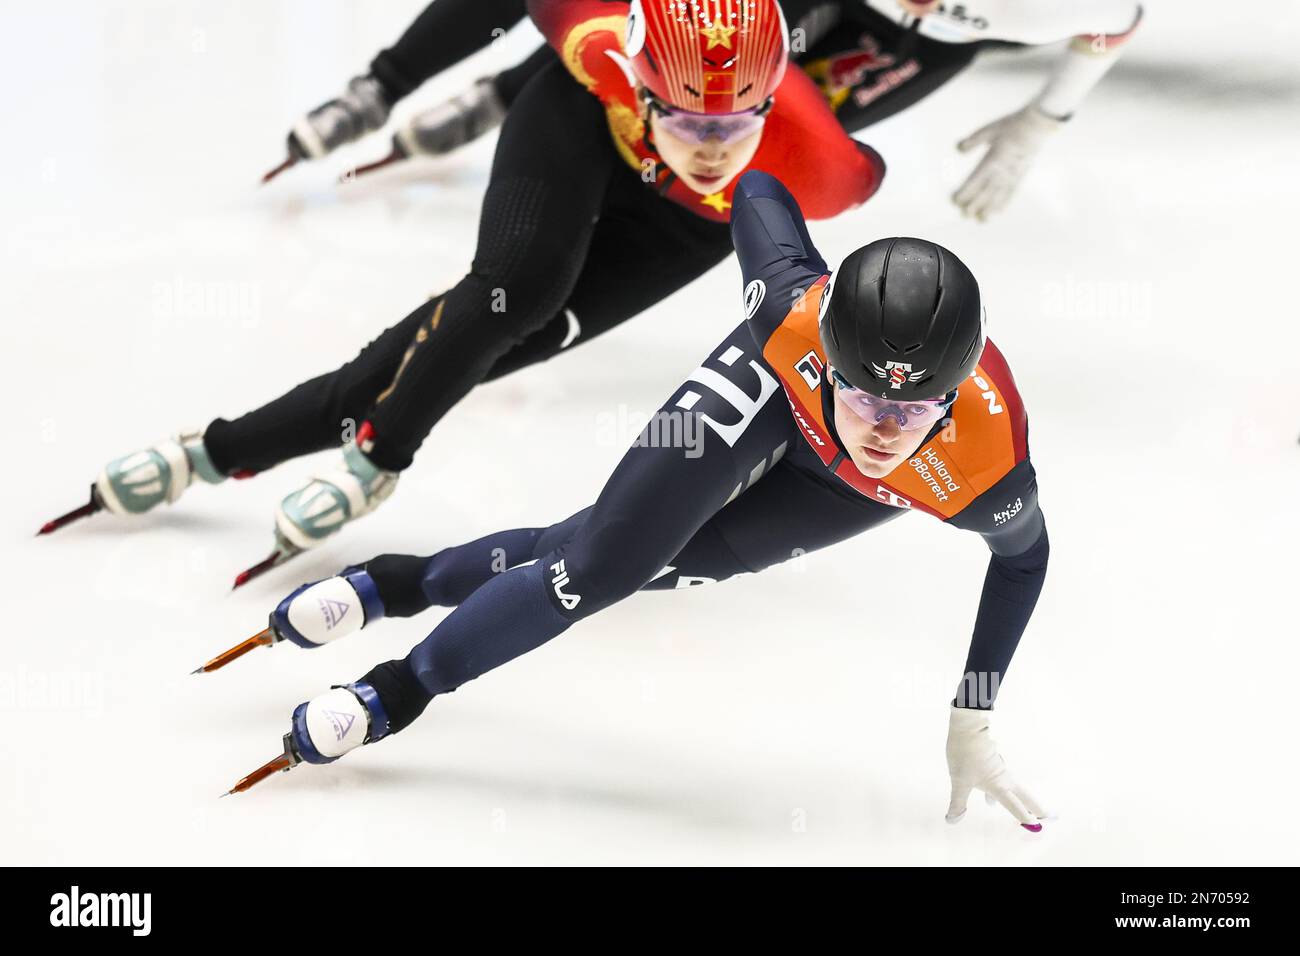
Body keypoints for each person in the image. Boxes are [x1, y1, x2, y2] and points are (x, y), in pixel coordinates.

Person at [229, 170, 1051, 830]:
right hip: (767, 392)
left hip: (838, 490)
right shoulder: (789, 313)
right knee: (596, 568)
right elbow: (762, 187)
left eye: (911, 411)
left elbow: (1024, 566)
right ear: (830, 359)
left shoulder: (985, 468)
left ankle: (399, 584)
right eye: (866, 396)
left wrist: (971, 715)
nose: (884, 427)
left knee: (599, 551)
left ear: (950, 402)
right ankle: (397, 690)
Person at [63, 0, 884, 580]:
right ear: (638, 85)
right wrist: (391, 87)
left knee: (486, 344)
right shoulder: (592, 35)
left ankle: (215, 452)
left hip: (680, 225)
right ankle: (375, 461)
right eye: (683, 119)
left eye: (735, 124)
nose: (709, 147)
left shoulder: (825, 167)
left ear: (773, 107)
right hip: (581, 123)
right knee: (513, 291)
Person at [280, 0, 1142, 221]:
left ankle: (509, 98)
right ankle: (399, 84)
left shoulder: (1057, 6)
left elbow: (1114, 27)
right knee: (715, 49)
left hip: (943, 46)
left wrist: (1043, 122)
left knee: (769, 124)